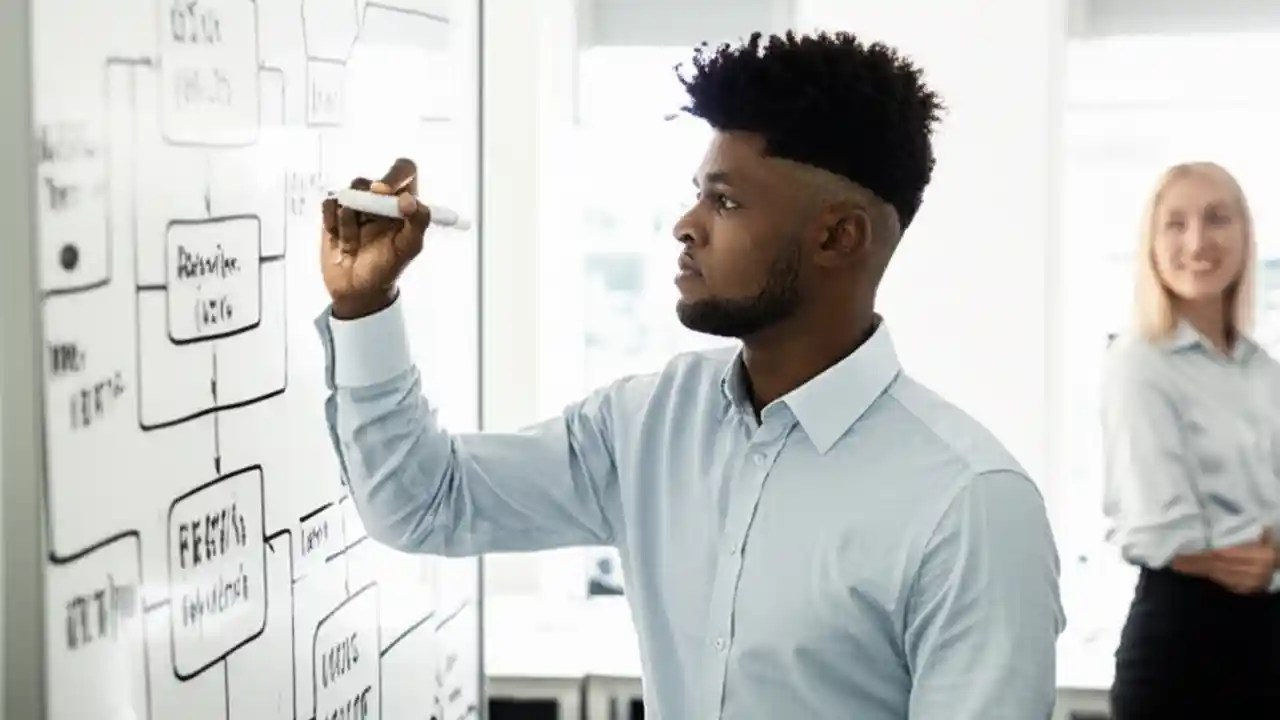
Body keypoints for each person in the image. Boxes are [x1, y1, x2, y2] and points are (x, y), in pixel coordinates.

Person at [317, 30, 1064, 719]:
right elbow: (424, 503)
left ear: (839, 236)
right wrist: (365, 306)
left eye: (726, 201)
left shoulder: (970, 508)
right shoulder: (651, 423)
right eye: (699, 192)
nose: (687, 224)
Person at [1102, 161, 1280, 717]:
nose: (1198, 241)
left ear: (1245, 237)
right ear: (1152, 246)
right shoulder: (1138, 363)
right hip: (1183, 645)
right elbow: (1162, 529)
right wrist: (1259, 548)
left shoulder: (1264, 372)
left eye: (1217, 219)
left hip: (1269, 645)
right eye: (1175, 224)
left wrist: (1264, 552)